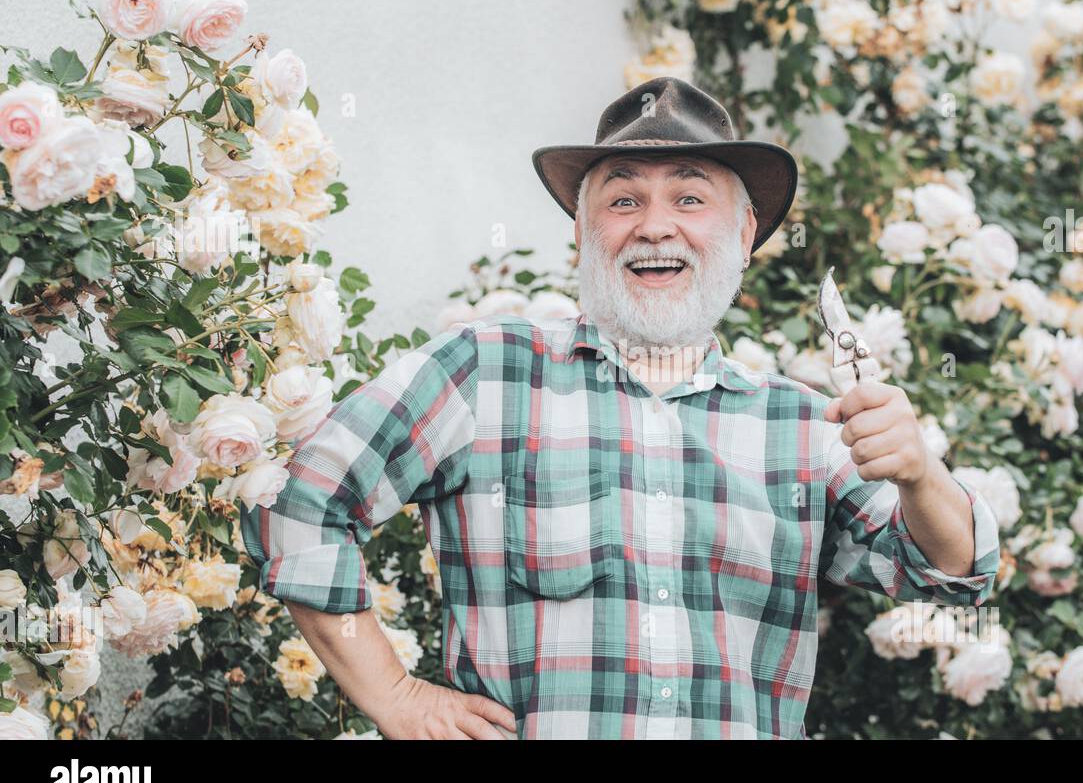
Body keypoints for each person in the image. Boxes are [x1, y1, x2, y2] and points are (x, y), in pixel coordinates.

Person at [239, 77, 1000, 739]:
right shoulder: (481, 373)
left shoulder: (803, 428)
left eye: (690, 197)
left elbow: (953, 574)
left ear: (743, 235)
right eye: (624, 198)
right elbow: (297, 505)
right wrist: (397, 697)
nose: (655, 224)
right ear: (581, 232)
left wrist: (920, 474)